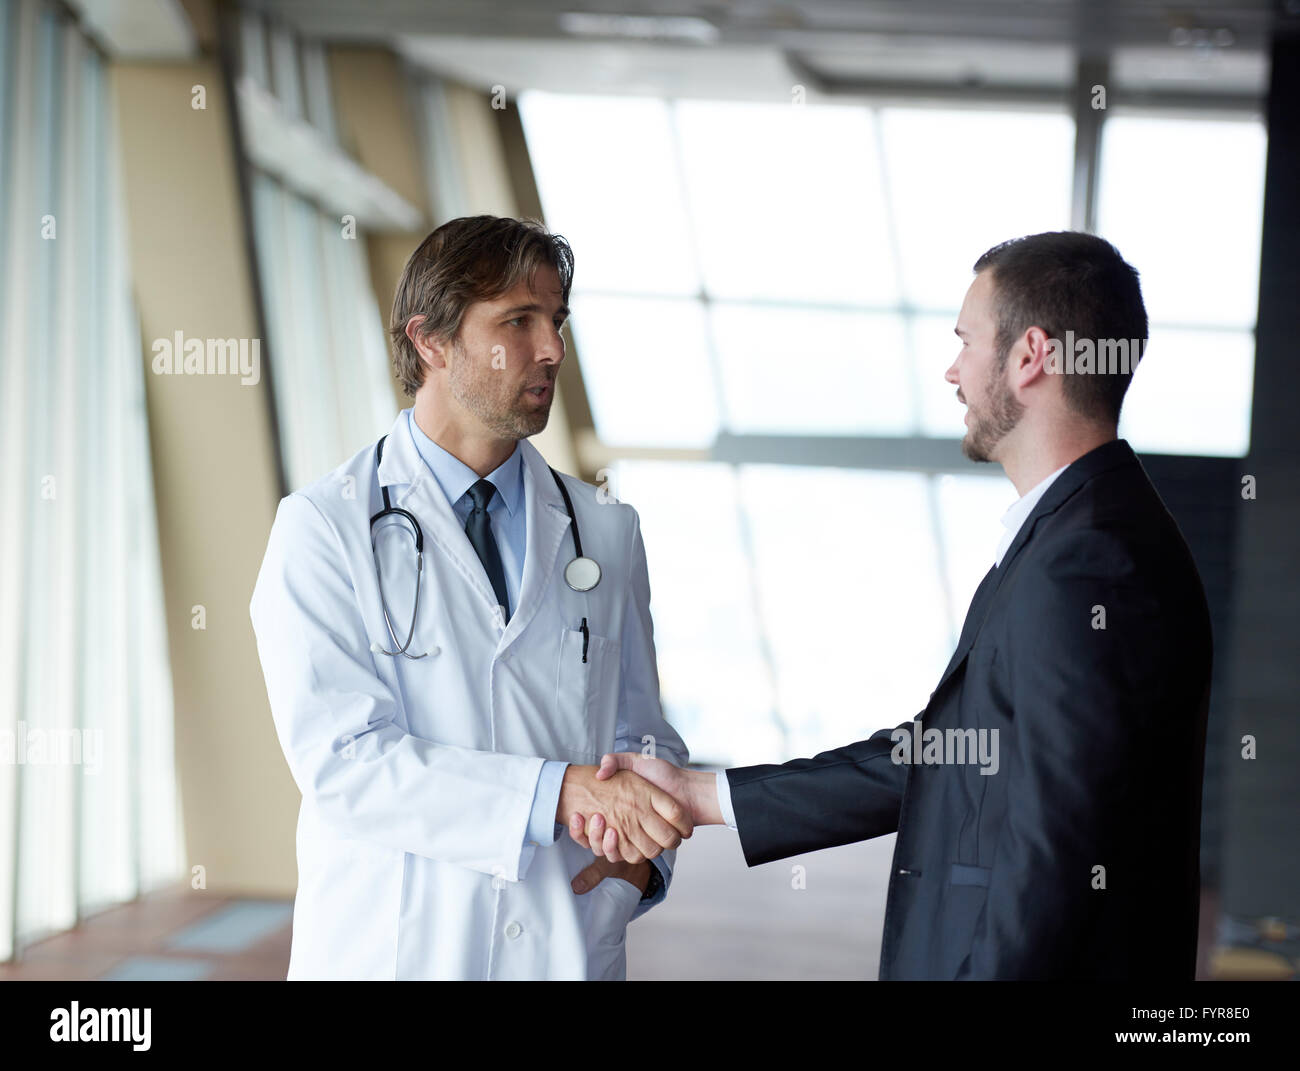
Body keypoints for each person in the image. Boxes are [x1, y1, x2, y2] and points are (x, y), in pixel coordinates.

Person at [575, 232, 1213, 981]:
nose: (952, 369)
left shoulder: (1089, 561)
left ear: (1031, 354)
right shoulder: (1079, 531)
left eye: (966, 341)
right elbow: (948, 756)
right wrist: (703, 794)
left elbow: (1060, 859)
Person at [249, 215, 691, 980]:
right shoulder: (325, 527)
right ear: (432, 341)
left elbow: (644, 736)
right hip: (393, 951)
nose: (551, 348)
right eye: (518, 321)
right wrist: (555, 793)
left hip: (561, 945)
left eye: (555, 321)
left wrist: (637, 874)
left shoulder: (605, 532)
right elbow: (346, 764)